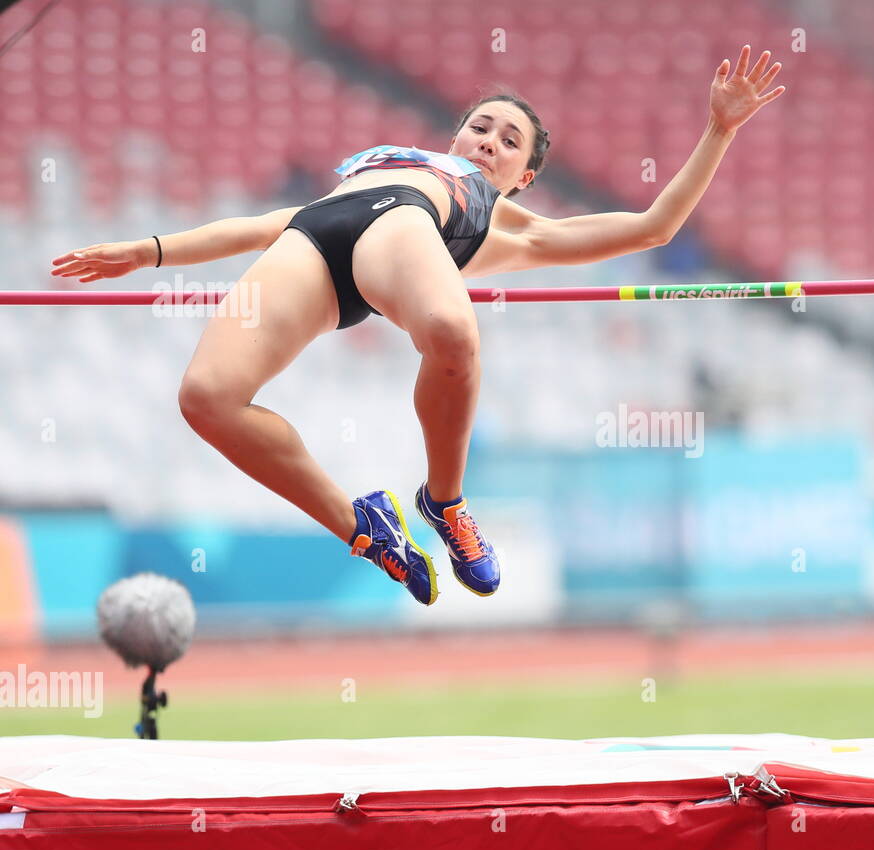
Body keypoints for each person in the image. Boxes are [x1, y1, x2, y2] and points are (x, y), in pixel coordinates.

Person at [49, 46, 786, 607]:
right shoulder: (393, 162)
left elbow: (654, 227)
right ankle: (368, 529)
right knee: (206, 399)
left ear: (525, 177)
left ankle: (444, 500)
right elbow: (261, 225)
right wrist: (148, 251)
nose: (488, 140)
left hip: (403, 229)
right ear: (456, 136)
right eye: (479, 126)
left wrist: (718, 130)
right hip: (316, 236)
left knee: (454, 334)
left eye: (509, 140)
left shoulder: (511, 227)